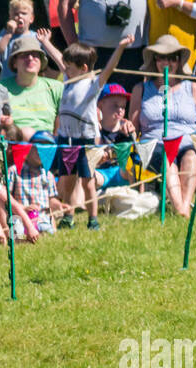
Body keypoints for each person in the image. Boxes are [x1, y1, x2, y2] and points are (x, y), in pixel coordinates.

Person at [129, 34, 196, 213]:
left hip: (188, 141)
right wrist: (127, 126)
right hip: (155, 145)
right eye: (162, 58)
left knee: (191, 157)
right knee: (167, 159)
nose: (167, 63)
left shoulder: (192, 88)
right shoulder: (140, 89)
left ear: (178, 62)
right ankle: (182, 210)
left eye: (172, 58)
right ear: (155, 61)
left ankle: (183, 207)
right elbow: (133, 126)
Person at [54, 36, 131, 229]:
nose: (65, 69)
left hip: (85, 139)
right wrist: (46, 42)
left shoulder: (92, 86)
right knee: (68, 181)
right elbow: (57, 58)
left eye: (69, 67)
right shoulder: (68, 80)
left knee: (88, 182)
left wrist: (120, 47)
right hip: (66, 138)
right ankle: (68, 216)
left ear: (84, 68)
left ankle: (93, 219)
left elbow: (109, 69)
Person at [58, 0, 150, 90]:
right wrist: (74, 45)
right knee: (91, 100)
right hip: (92, 53)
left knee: (130, 100)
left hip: (134, 53)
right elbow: (65, 4)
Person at [1, 33, 63, 138]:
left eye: (35, 55)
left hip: (47, 145)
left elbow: (63, 119)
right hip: (13, 144)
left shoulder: (56, 87)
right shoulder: (1, 88)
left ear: (41, 61)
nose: (30, 58)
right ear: (14, 63)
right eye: (24, 55)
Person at [12, 132, 69, 239]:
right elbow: (7, 199)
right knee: (18, 237)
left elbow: (51, 201)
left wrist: (60, 206)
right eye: (38, 147)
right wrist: (23, 208)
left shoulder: (48, 175)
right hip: (19, 219)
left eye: (45, 148)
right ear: (29, 147)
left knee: (47, 234)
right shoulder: (14, 171)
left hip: (42, 219)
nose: (40, 152)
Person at [145, 0, 196, 75]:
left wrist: (178, 3)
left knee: (188, 85)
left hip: (188, 55)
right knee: (160, 86)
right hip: (157, 55)